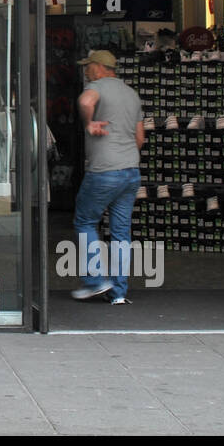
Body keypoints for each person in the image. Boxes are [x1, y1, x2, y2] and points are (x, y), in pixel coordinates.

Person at [71, 49, 145, 305]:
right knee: (121, 233)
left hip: (104, 171)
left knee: (85, 221)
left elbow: (85, 103)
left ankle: (95, 280)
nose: (85, 70)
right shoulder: (131, 94)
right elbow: (140, 139)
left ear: (100, 67)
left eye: (88, 66)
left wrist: (89, 122)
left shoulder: (97, 86)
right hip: (131, 172)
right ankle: (119, 292)